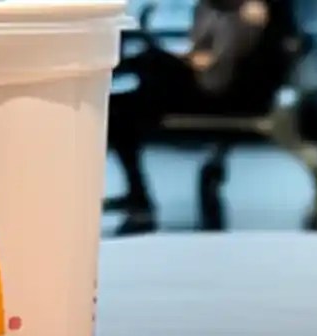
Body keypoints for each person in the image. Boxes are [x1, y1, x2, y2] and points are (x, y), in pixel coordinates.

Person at [105, 0, 301, 233]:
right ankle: (137, 195)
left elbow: (224, 64)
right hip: (208, 83)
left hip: (229, 95)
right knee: (120, 110)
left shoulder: (256, 12)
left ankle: (139, 198)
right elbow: (201, 51)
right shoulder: (212, 9)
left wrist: (199, 62)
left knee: (150, 65)